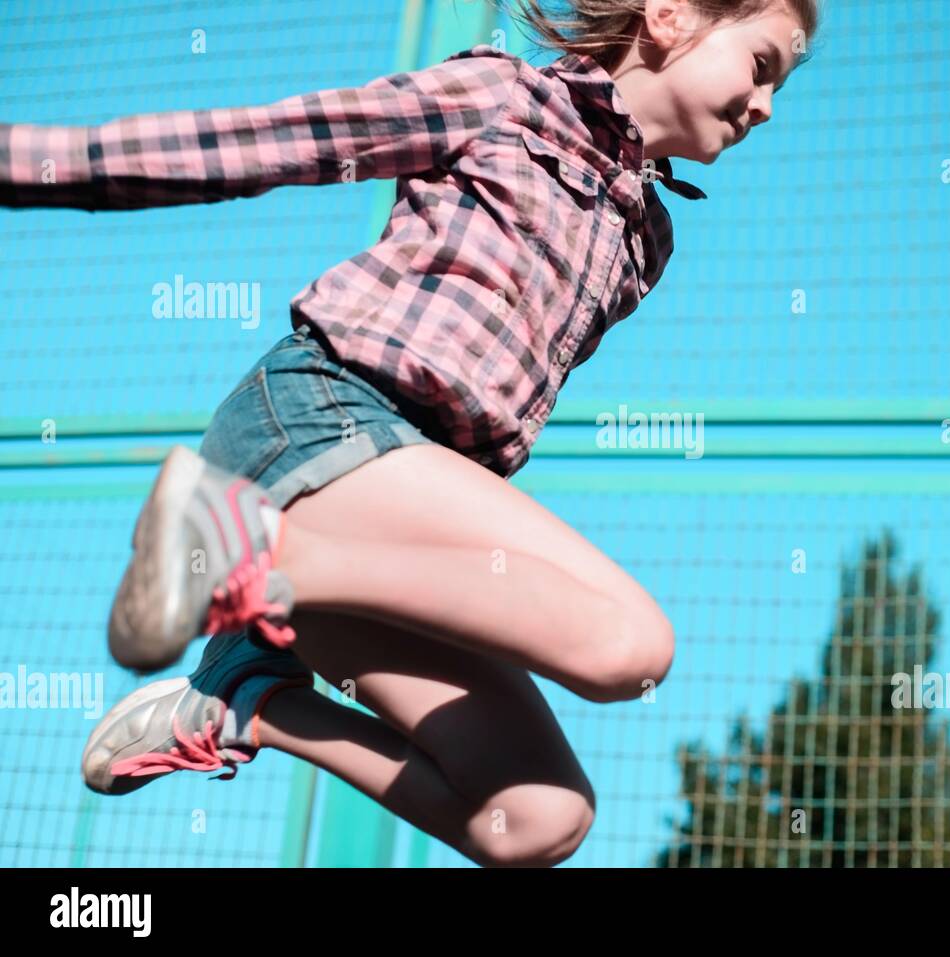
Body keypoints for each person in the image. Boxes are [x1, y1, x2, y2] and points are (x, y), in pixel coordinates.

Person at [1, 0, 819, 867]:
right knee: (633, 642)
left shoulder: (644, 240)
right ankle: (246, 556)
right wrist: (40, 162)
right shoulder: (503, 98)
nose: (767, 106)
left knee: (539, 818)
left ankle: (250, 698)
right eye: (762, 65)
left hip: (379, 505)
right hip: (321, 416)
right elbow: (276, 139)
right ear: (670, 15)